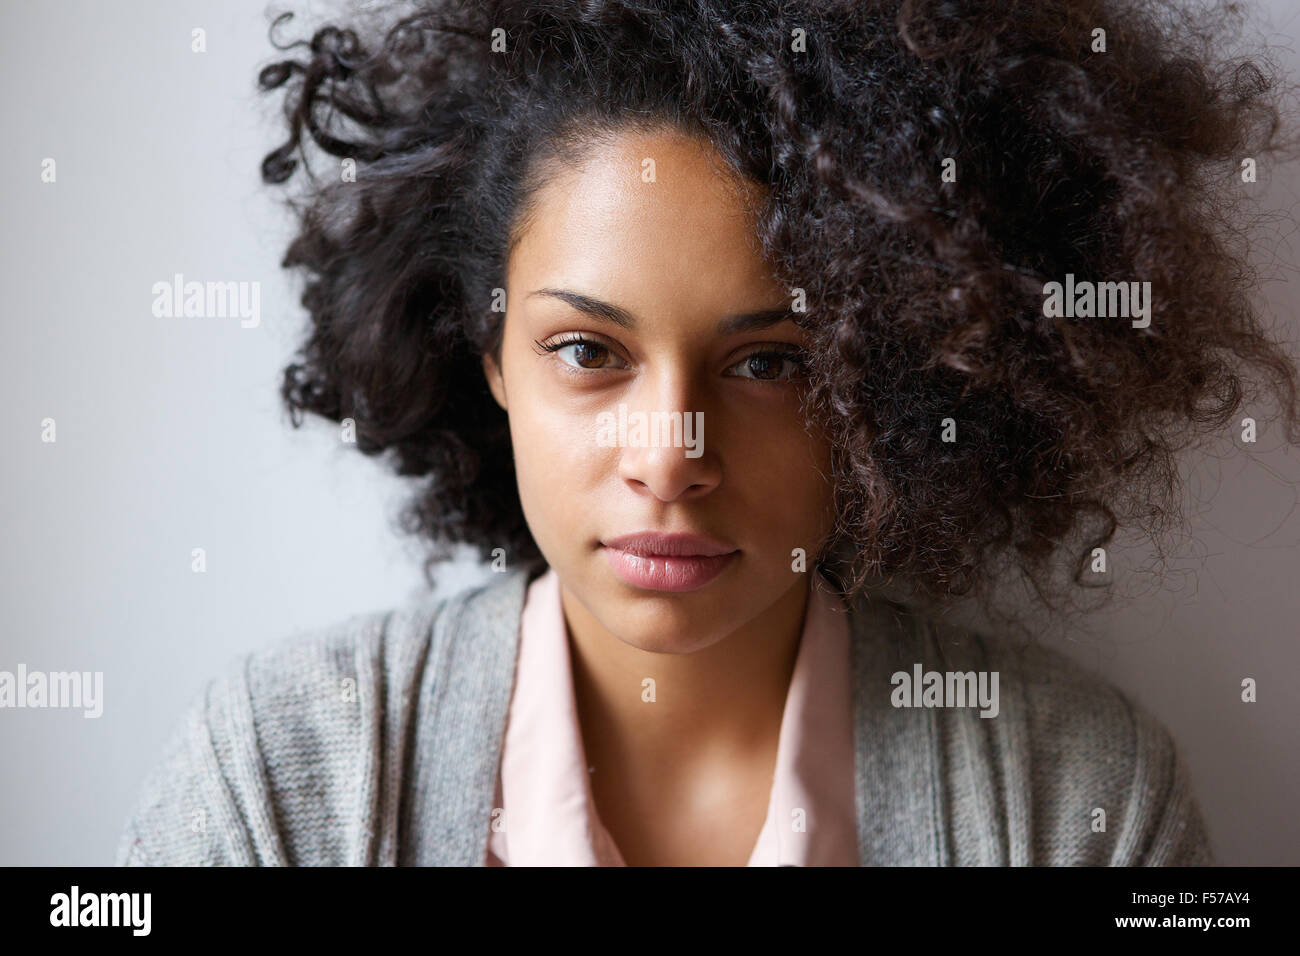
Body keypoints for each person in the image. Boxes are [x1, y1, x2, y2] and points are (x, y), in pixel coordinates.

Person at [117, 0, 1300, 866]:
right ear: (486, 359)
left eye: (771, 363)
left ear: (887, 386)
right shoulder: (279, 773)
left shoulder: (1079, 801)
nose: (673, 449)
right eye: (588, 351)